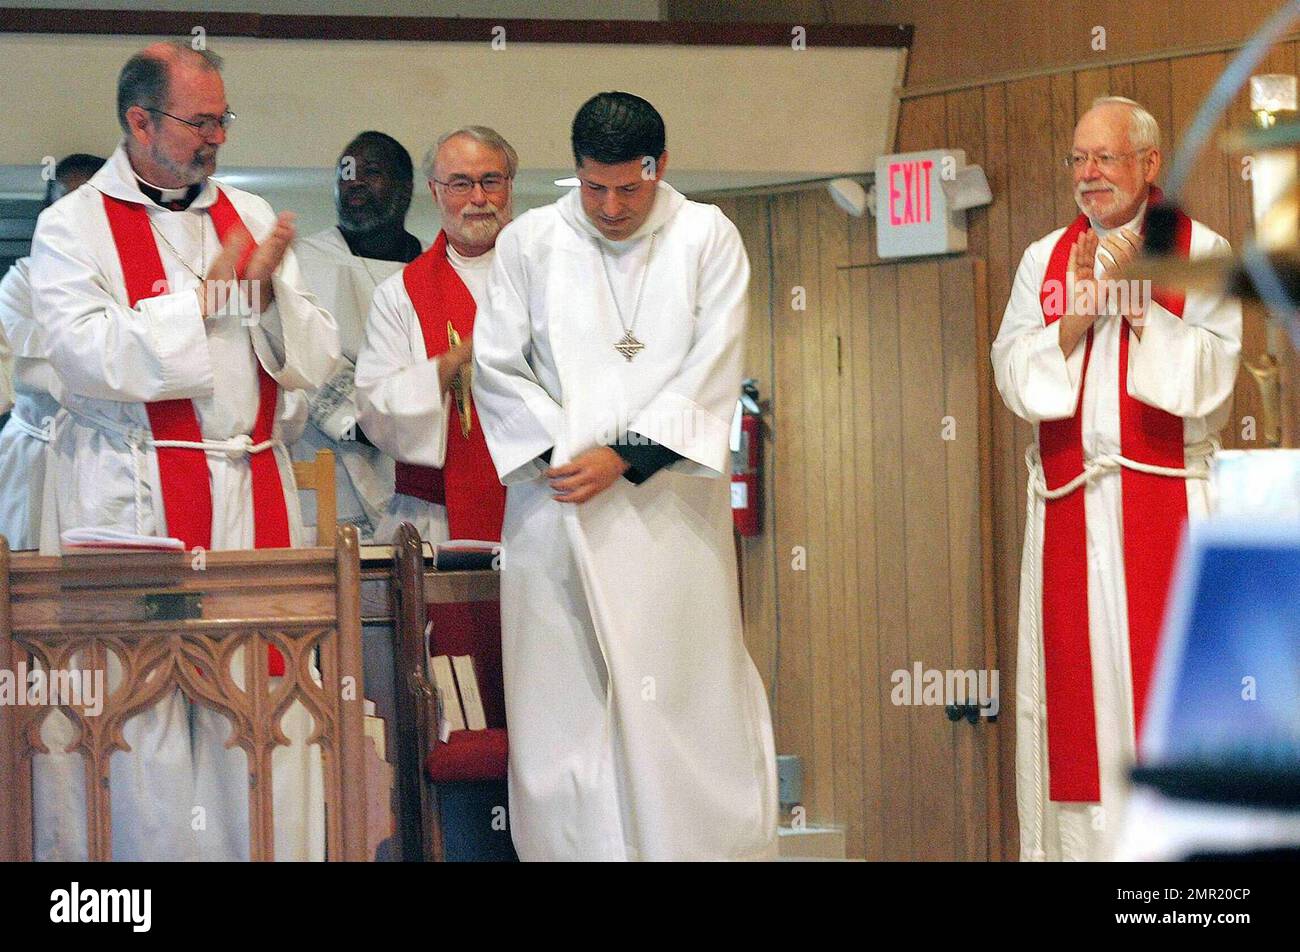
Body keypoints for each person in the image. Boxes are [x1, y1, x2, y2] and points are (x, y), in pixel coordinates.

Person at [28, 41, 339, 861]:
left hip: (252, 489)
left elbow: (314, 359)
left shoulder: (246, 214)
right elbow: (84, 355)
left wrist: (266, 293)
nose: (218, 138)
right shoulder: (72, 227)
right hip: (139, 495)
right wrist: (200, 305)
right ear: (140, 121)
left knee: (264, 709)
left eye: (222, 119)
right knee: (146, 728)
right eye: (202, 121)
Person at [472, 91, 778, 861]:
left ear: (660, 167)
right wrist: (562, 456)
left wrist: (627, 456)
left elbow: (716, 364)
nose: (610, 207)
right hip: (557, 511)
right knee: (563, 710)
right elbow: (497, 368)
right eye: (593, 186)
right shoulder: (531, 242)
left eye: (629, 189)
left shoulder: (707, 235)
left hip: (670, 514)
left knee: (681, 697)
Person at [991, 96, 1242, 861]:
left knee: (1170, 707)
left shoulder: (1199, 246)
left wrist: (1138, 312)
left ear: (1149, 164)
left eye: (1104, 157)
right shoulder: (1043, 258)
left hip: (1167, 501)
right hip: (1069, 510)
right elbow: (1011, 372)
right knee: (1078, 715)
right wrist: (1074, 317)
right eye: (1078, 159)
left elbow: (1215, 377)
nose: (1088, 174)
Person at [355, 126, 514, 544]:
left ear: (509, 186)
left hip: (534, 505)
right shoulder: (401, 294)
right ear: (435, 190)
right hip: (436, 515)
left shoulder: (549, 276)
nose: (478, 198)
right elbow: (374, 408)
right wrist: (451, 363)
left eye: (491, 181)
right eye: (460, 183)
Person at [293, 131, 423, 542]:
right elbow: (302, 353)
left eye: (371, 172)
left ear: (405, 188)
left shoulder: (432, 269)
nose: (355, 182)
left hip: (417, 459)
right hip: (332, 458)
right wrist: (365, 421)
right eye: (345, 173)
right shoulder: (304, 260)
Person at [0, 154, 105, 552]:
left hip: (105, 453)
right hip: (34, 454)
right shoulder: (21, 281)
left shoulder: (128, 278)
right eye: (66, 203)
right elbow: (27, 373)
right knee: (23, 585)